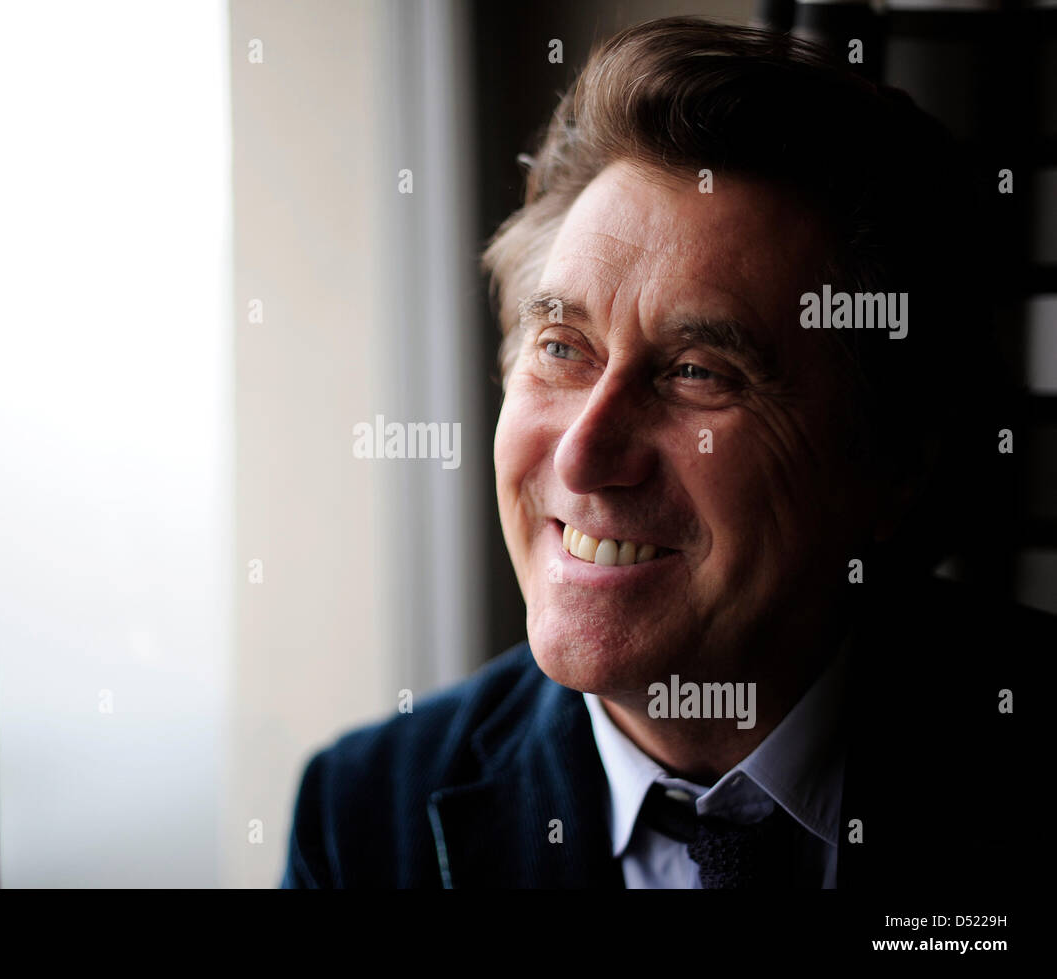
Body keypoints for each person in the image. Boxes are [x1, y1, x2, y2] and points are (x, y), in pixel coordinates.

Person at [281, 16, 1050, 889]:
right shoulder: (361, 819)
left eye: (695, 372)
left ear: (894, 458)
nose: (582, 456)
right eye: (563, 348)